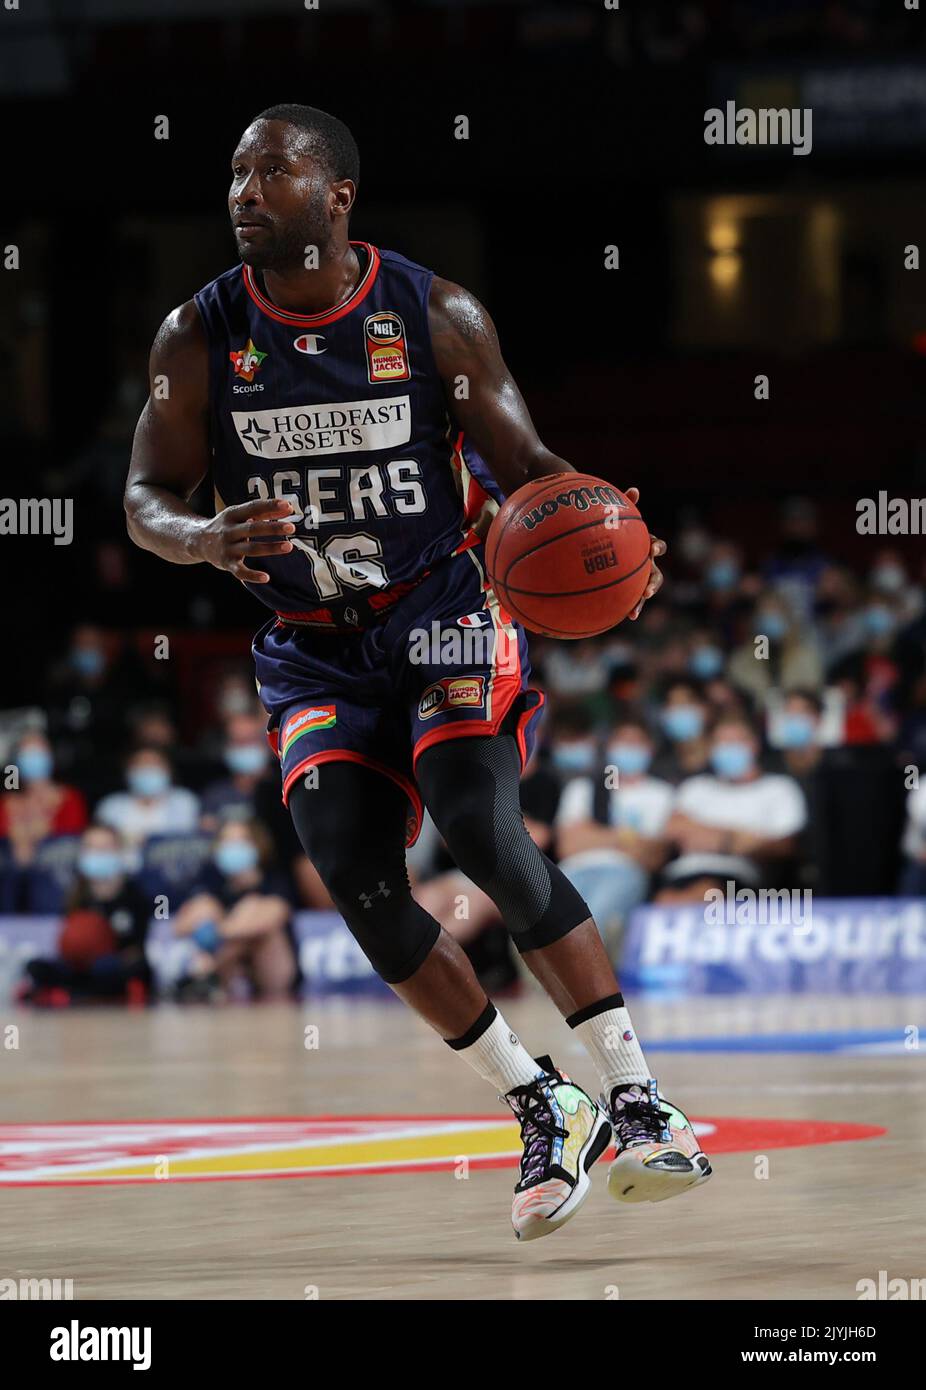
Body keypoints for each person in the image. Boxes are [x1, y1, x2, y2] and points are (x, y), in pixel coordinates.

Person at [124, 102, 710, 1239]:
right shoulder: (193, 338)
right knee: (358, 881)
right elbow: (144, 497)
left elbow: (529, 463)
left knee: (480, 827)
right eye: (234, 171)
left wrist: (614, 536)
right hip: (309, 646)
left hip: (442, 606)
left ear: (335, 195)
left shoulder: (433, 313)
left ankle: (639, 1095)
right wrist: (194, 538)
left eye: (271, 170)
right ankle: (543, 1104)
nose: (243, 190)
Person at [556, 716, 674, 954]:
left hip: (624, 872)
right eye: (622, 742)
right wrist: (626, 838)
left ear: (649, 748)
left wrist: (592, 834)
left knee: (590, 923)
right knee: (547, 923)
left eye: (636, 742)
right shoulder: (582, 788)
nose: (628, 749)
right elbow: (568, 845)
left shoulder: (661, 794)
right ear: (609, 747)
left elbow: (652, 854)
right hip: (574, 870)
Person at [666, 712, 808, 884]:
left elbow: (784, 845)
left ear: (754, 745)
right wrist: (741, 838)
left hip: (742, 878)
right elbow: (673, 829)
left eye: (735, 742)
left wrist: (722, 840)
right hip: (682, 874)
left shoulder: (779, 788)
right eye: (722, 742)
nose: (728, 748)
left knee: (705, 892)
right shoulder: (695, 787)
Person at [22, 823, 152, 1003]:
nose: (97, 854)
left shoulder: (135, 895)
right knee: (35, 966)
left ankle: (75, 991)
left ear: (119, 852)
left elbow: (138, 948)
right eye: (92, 848)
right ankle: (71, 990)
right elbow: (69, 940)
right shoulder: (75, 895)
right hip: (80, 966)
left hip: (115, 965)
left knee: (118, 969)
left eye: (104, 848)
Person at [173, 820, 298, 1002]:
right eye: (227, 841)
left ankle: (204, 974)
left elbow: (272, 917)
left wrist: (216, 931)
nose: (233, 847)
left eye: (241, 841)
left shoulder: (275, 881)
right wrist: (209, 917)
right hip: (230, 967)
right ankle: (210, 981)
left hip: (273, 973)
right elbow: (179, 926)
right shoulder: (213, 885)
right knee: (206, 907)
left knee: (251, 910)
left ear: (257, 845)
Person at [0, 731, 87, 868]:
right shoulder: (7, 801)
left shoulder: (70, 796)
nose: (33, 759)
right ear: (16, 761)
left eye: (38, 753)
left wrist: (42, 833)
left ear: (51, 757)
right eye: (26, 754)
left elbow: (75, 836)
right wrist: (17, 838)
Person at [95, 745, 200, 855]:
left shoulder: (184, 801)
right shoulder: (110, 806)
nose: (148, 770)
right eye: (141, 765)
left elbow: (186, 841)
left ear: (168, 770)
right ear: (128, 772)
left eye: (154, 765)